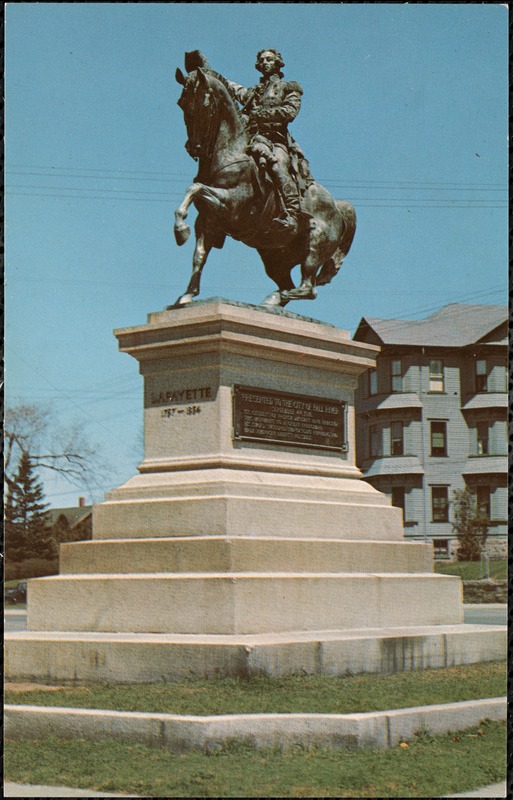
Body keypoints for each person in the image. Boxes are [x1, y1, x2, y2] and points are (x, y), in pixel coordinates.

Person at [224, 49, 311, 234]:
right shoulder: (255, 92)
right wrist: (212, 75)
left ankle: (293, 214)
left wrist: (260, 114)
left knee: (278, 166)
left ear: (278, 63)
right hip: (254, 139)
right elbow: (234, 89)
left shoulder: (289, 88)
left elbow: (290, 112)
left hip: (277, 141)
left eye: (269, 59)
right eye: (261, 60)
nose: (264, 62)